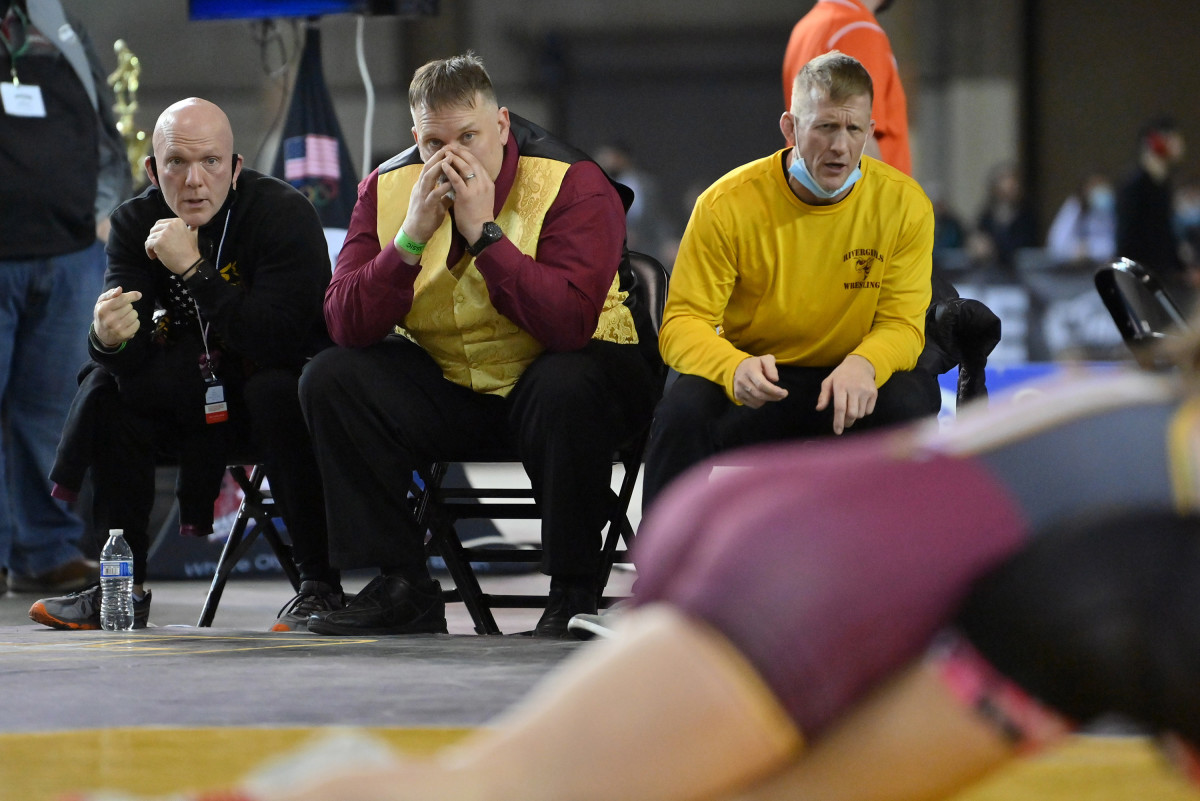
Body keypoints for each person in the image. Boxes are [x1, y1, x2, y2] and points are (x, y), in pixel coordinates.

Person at [120, 363, 1200, 801]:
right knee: (486, 796)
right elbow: (1092, 609)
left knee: (494, 783)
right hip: (823, 585)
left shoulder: (1162, 395)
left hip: (784, 526)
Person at [299, 53, 658, 638]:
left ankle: (573, 590)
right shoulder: (387, 189)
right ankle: (402, 585)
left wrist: (484, 236)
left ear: (502, 125)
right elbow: (344, 322)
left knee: (566, 381)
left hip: (575, 379)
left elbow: (568, 324)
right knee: (332, 376)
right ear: (415, 137)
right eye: (435, 142)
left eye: (469, 135)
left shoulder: (574, 182)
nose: (453, 157)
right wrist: (410, 238)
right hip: (454, 383)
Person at [27, 97, 341, 632]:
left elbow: (280, 339)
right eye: (177, 163)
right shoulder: (133, 222)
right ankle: (120, 589)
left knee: (277, 389)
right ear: (153, 170)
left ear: (235, 168)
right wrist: (107, 339)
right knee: (106, 390)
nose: (194, 181)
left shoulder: (283, 214)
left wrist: (194, 271)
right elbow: (132, 352)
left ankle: (320, 587)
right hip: (181, 394)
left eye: (211, 162)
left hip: (264, 394)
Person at [642, 51, 940, 509]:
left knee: (909, 401)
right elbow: (681, 324)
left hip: (851, 375)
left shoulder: (905, 204)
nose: (840, 146)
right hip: (756, 379)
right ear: (790, 128)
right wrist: (731, 367)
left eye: (854, 129)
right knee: (681, 413)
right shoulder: (726, 204)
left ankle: (909, 565)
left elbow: (903, 325)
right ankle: (665, 569)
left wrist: (866, 364)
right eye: (825, 127)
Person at [0, 0, 130, 594]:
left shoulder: (55, 19)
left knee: (49, 416)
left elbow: (102, 122)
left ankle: (45, 551)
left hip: (70, 252)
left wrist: (104, 217)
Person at [782, 0, 911, 175]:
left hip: (809, 188)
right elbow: (860, 139)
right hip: (849, 197)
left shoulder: (808, 25)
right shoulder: (857, 29)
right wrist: (887, 201)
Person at [1117, 116, 1192, 310]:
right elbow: (1127, 239)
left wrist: (1180, 268)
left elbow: (1166, 235)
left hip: (1164, 281)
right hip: (1142, 282)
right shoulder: (1134, 187)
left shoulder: (1164, 186)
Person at [973, 160, 1039, 276]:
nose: (1009, 184)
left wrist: (995, 249)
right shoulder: (988, 213)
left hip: (1020, 274)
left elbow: (1026, 245)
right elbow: (978, 234)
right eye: (1004, 179)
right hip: (990, 274)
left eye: (1013, 179)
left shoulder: (1026, 214)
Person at [1045, 170, 1117, 266]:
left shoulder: (1115, 208)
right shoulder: (1075, 206)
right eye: (1094, 185)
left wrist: (1090, 250)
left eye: (1102, 185)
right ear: (1085, 188)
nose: (1099, 190)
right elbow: (1056, 243)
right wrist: (1074, 250)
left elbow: (1117, 244)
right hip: (1077, 272)